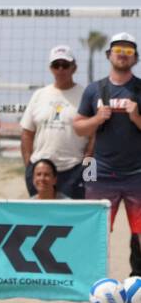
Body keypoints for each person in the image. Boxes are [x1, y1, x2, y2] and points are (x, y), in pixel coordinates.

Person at [74, 32, 141, 276]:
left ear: (135, 58)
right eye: (118, 50)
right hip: (98, 170)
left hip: (137, 172)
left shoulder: (140, 89)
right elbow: (78, 127)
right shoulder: (94, 89)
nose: (123, 55)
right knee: (97, 229)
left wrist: (136, 118)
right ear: (108, 55)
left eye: (129, 51)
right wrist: (97, 118)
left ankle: (138, 279)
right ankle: (92, 276)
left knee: (139, 232)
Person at [20, 45, 88, 198]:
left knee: (72, 218)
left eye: (65, 65)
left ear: (74, 68)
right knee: (39, 218)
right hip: (41, 171)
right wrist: (29, 167)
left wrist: (87, 168)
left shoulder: (86, 95)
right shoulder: (39, 95)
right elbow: (27, 133)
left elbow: (95, 136)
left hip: (73, 169)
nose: (61, 70)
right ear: (51, 68)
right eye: (56, 65)